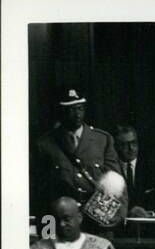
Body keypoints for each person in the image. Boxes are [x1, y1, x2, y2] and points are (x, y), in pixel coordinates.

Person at [31, 88, 122, 233]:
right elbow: (39, 191)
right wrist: (46, 230)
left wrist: (118, 215)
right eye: (71, 110)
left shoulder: (102, 139)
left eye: (80, 108)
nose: (77, 114)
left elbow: (117, 182)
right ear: (61, 112)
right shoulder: (45, 144)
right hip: (61, 221)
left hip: (96, 220)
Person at [113, 124, 155, 218]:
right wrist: (129, 211)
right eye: (124, 144)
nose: (131, 148)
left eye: (133, 143)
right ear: (116, 146)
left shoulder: (152, 168)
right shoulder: (111, 169)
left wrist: (149, 214)